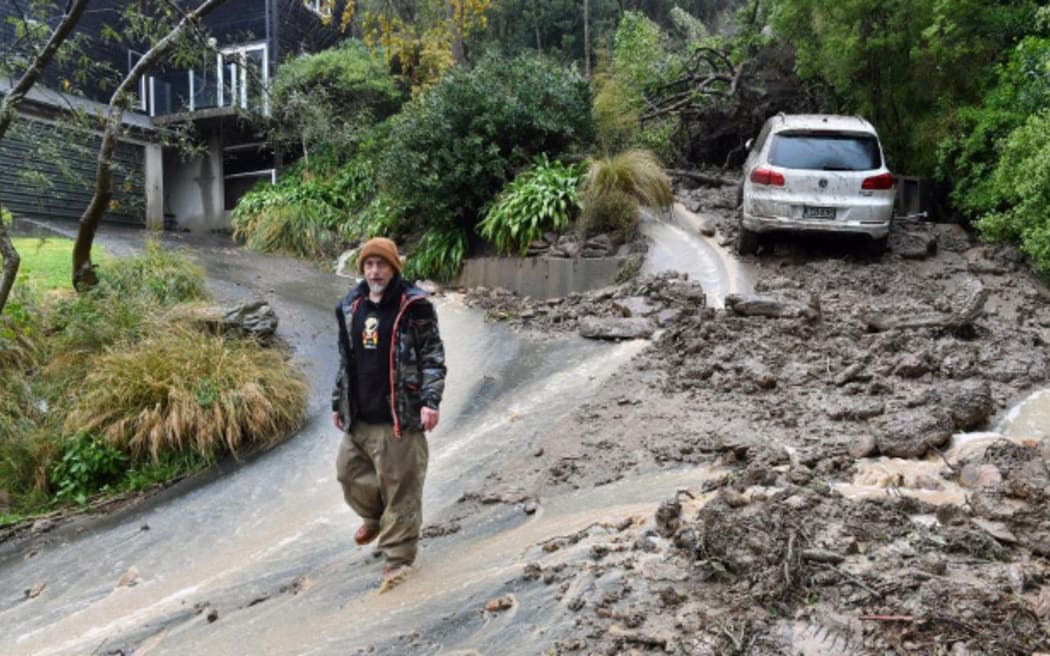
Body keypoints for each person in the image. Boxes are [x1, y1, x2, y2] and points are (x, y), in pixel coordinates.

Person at [331, 237, 446, 588]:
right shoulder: (351, 305)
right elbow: (346, 361)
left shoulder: (415, 306)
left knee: (402, 488)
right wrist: (339, 401)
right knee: (348, 474)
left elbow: (433, 357)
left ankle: (398, 559)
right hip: (360, 414)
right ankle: (375, 518)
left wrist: (430, 401)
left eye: (381, 265)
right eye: (369, 265)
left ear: (394, 268)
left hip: (400, 417)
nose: (374, 271)